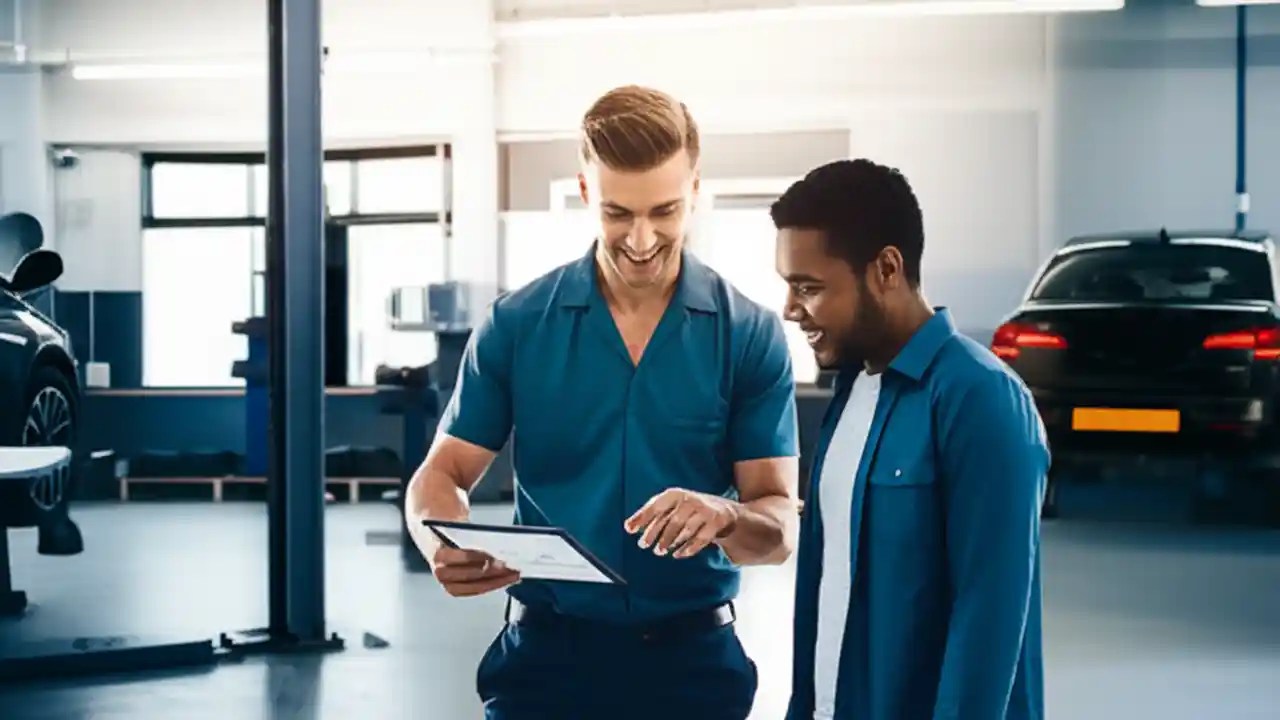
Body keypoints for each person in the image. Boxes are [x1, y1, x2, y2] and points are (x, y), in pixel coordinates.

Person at [404, 84, 801, 720]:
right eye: (618, 213)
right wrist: (437, 543)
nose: (641, 239)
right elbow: (442, 474)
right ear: (586, 192)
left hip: (693, 666)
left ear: (695, 190)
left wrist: (725, 517)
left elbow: (777, 527)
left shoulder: (749, 334)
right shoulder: (515, 325)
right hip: (544, 664)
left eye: (665, 211)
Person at [771, 159, 1048, 720]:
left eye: (809, 287)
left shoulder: (982, 398)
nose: (791, 309)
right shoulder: (850, 392)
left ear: (887, 269)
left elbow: (988, 620)